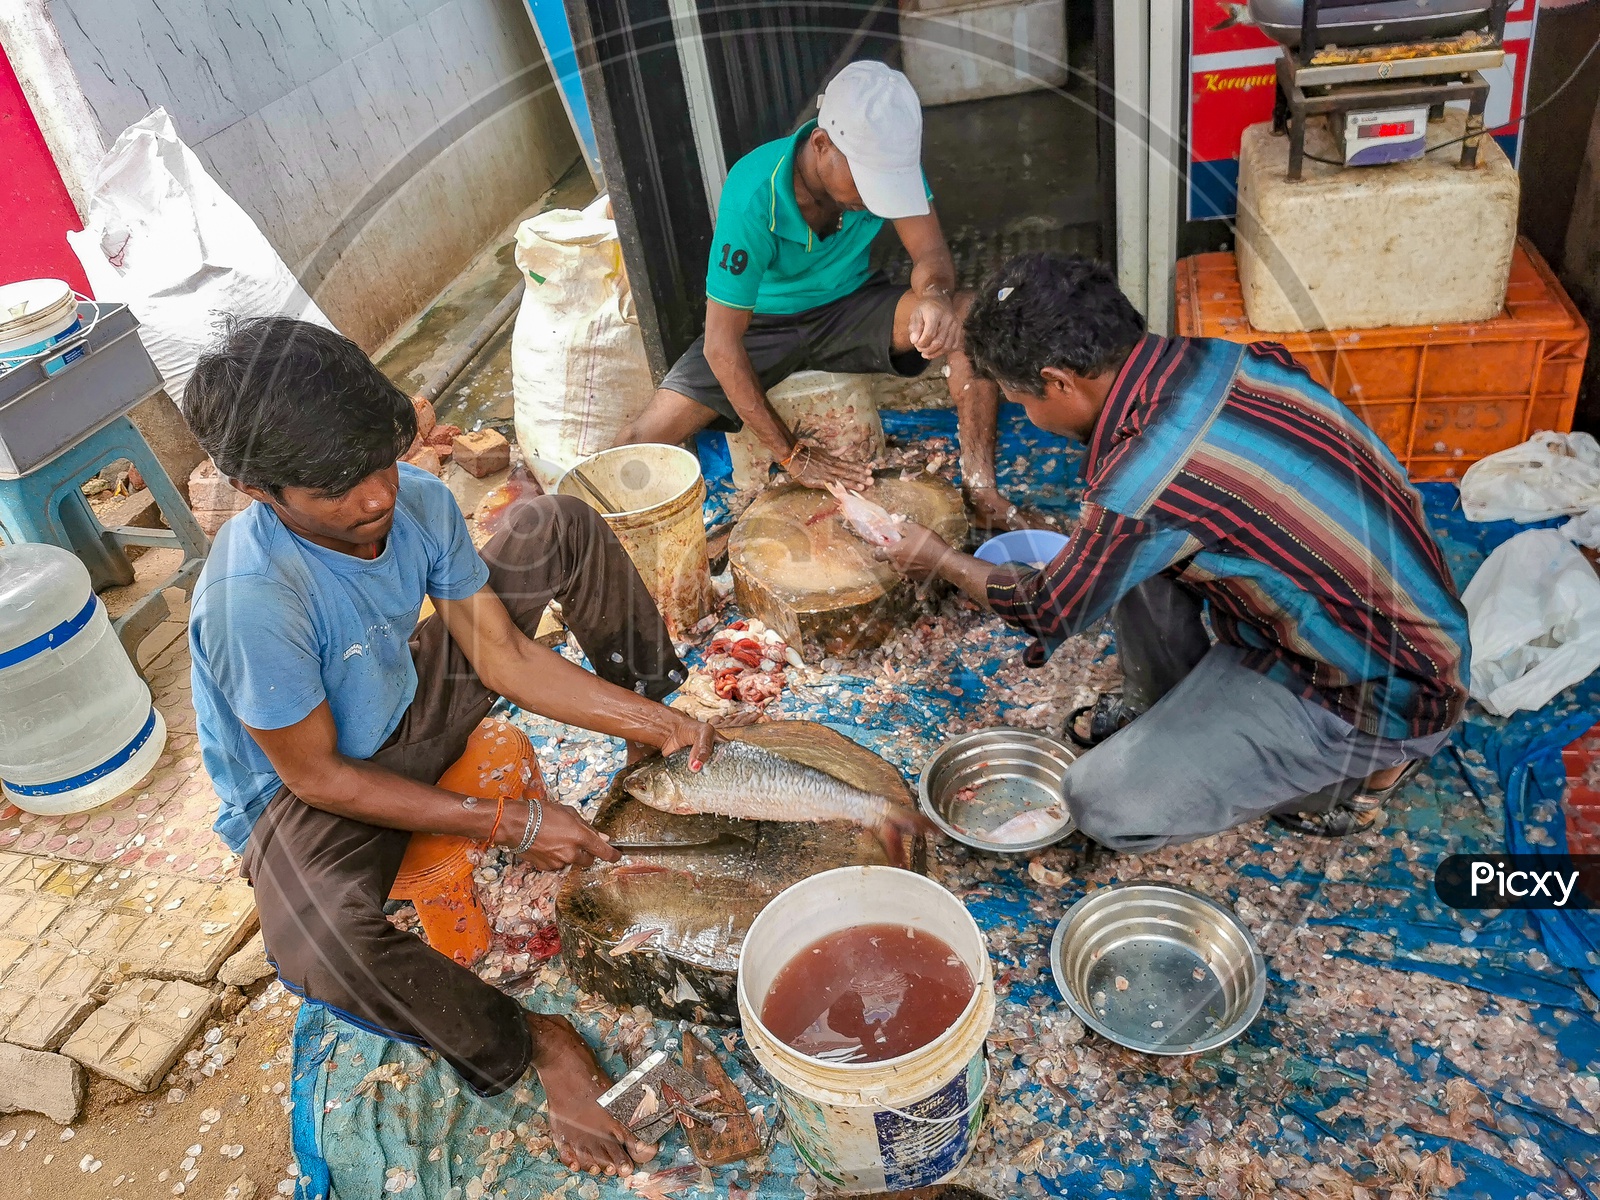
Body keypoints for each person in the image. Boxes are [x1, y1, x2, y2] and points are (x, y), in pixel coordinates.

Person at [183, 317, 718, 1176]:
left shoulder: (417, 498)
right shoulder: (253, 597)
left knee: (556, 525)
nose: (372, 500)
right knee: (317, 941)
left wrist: (657, 723)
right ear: (257, 488)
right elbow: (317, 773)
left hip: (407, 707)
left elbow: (500, 654)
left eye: (375, 465)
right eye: (333, 491)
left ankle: (653, 751)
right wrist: (509, 821)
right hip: (308, 795)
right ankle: (535, 1045)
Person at [877, 253, 1470, 850]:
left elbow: (1048, 609)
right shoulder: (1217, 358)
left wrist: (938, 558)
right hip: (1368, 615)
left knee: (1098, 801)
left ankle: (1370, 770)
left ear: (1060, 380)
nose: (1029, 420)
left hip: (1370, 686)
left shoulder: (1149, 476)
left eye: (1022, 400)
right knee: (1119, 553)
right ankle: (1165, 708)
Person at [614, 60, 1033, 532]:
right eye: (866, 182)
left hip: (850, 307)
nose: (877, 199)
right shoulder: (754, 192)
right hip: (762, 327)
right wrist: (792, 455)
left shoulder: (894, 171)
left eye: (886, 185)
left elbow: (931, 253)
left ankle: (981, 489)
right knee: (641, 440)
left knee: (968, 315)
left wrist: (934, 296)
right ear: (821, 144)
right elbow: (722, 345)